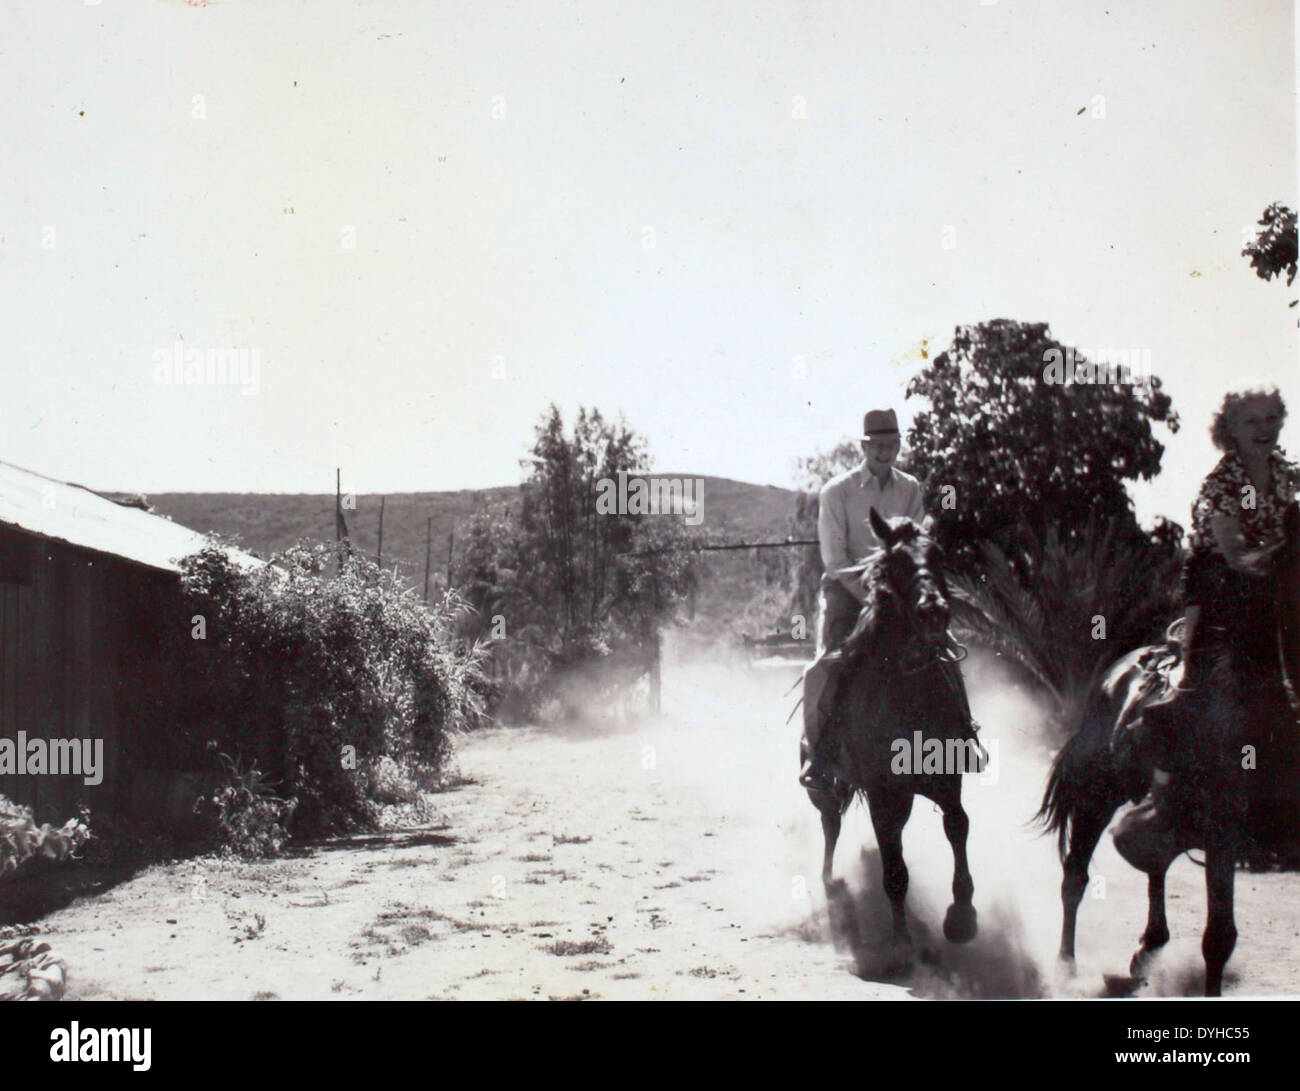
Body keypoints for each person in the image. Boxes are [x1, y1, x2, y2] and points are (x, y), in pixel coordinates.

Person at [1115, 384, 1300, 869]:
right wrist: (1283, 557)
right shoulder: (1225, 482)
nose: (1263, 429)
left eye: (1270, 419)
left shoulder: (1288, 475)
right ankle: (1164, 796)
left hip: (1274, 588)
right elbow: (1234, 551)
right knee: (1196, 689)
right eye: (1251, 421)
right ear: (1231, 431)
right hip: (1220, 588)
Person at [798, 408, 926, 790]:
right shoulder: (837, 491)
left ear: (899, 444)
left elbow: (917, 544)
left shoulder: (910, 489)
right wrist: (872, 596)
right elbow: (835, 560)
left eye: (892, 444)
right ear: (864, 446)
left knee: (943, 649)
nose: (885, 452)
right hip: (846, 593)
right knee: (823, 668)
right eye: (878, 445)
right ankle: (817, 753)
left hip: (899, 596)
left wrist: (901, 593)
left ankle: (958, 735)